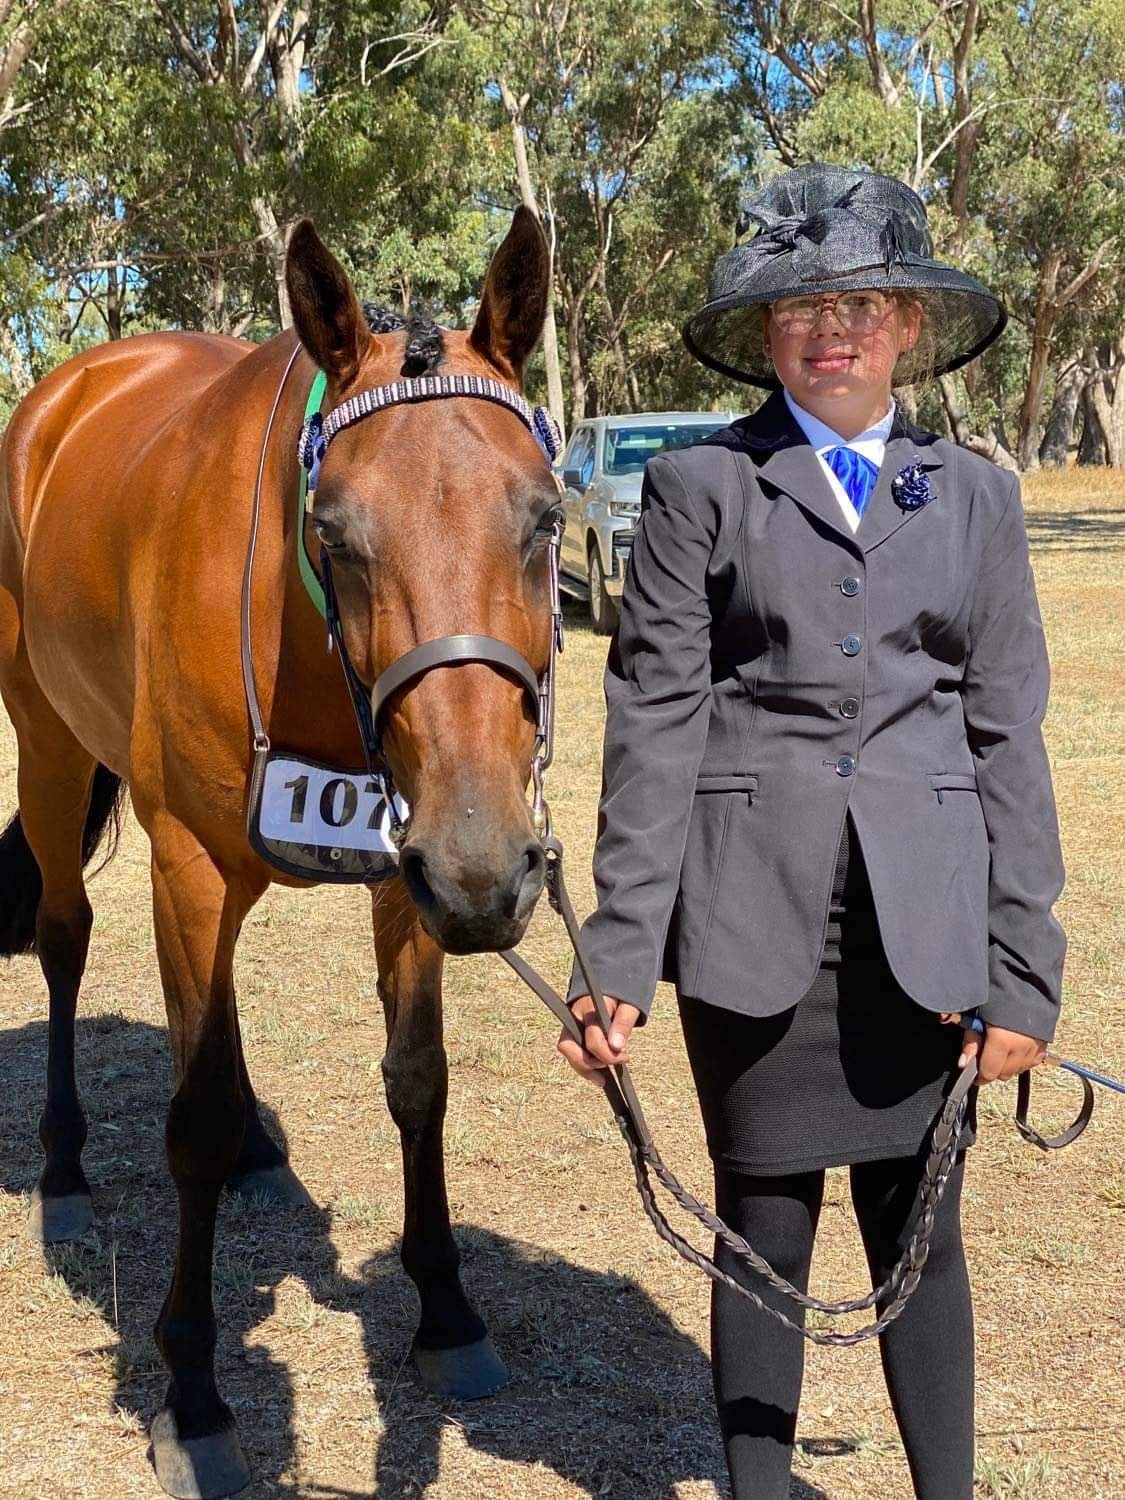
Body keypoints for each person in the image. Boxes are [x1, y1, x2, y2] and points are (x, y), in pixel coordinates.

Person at [557, 164, 1065, 1499]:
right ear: (763, 330)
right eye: (798, 304)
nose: (829, 327)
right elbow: (651, 733)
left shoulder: (977, 500)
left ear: (906, 322)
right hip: (748, 923)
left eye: (859, 302)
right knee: (761, 1238)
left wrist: (1024, 972)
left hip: (927, 933)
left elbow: (1008, 739)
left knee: (921, 1243)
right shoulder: (695, 488)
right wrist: (614, 964)